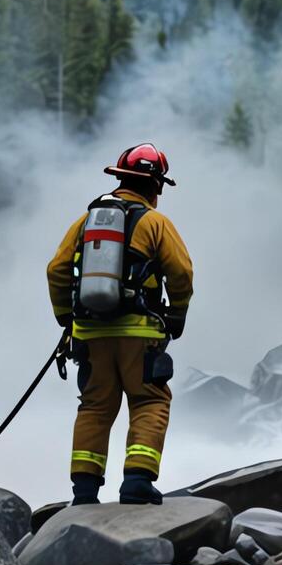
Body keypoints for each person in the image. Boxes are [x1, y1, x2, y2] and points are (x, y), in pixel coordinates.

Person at [46, 143, 193, 506]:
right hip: (139, 333)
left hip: (90, 334)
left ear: (121, 179)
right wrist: (177, 315)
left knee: (95, 406)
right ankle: (137, 482)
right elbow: (181, 273)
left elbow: (57, 270)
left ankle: (84, 492)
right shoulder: (155, 223)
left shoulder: (86, 221)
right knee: (149, 400)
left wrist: (66, 317)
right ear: (155, 185)